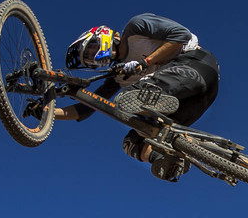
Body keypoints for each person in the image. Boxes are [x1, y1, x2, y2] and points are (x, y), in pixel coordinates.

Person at [55, 15, 221, 182]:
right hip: (195, 100)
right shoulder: (118, 76)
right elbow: (85, 108)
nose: (94, 57)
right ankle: (170, 157)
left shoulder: (136, 27)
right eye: (90, 60)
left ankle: (159, 117)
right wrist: (47, 113)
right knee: (133, 141)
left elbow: (181, 35)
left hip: (196, 66)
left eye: (91, 50)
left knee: (131, 96)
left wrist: (145, 62)